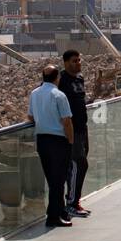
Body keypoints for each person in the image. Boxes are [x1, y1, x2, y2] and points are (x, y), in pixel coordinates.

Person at [28, 64, 75, 228]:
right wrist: (70, 141)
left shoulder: (34, 94)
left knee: (52, 178)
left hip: (42, 140)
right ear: (57, 78)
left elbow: (30, 117)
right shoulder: (59, 95)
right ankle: (53, 217)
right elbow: (67, 121)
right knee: (58, 180)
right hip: (58, 141)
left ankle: (58, 210)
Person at [57, 49, 91, 217]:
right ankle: (71, 203)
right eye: (74, 61)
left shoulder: (80, 79)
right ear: (65, 62)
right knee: (79, 164)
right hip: (70, 129)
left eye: (79, 60)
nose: (78, 63)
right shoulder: (61, 80)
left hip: (82, 128)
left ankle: (74, 200)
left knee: (78, 165)